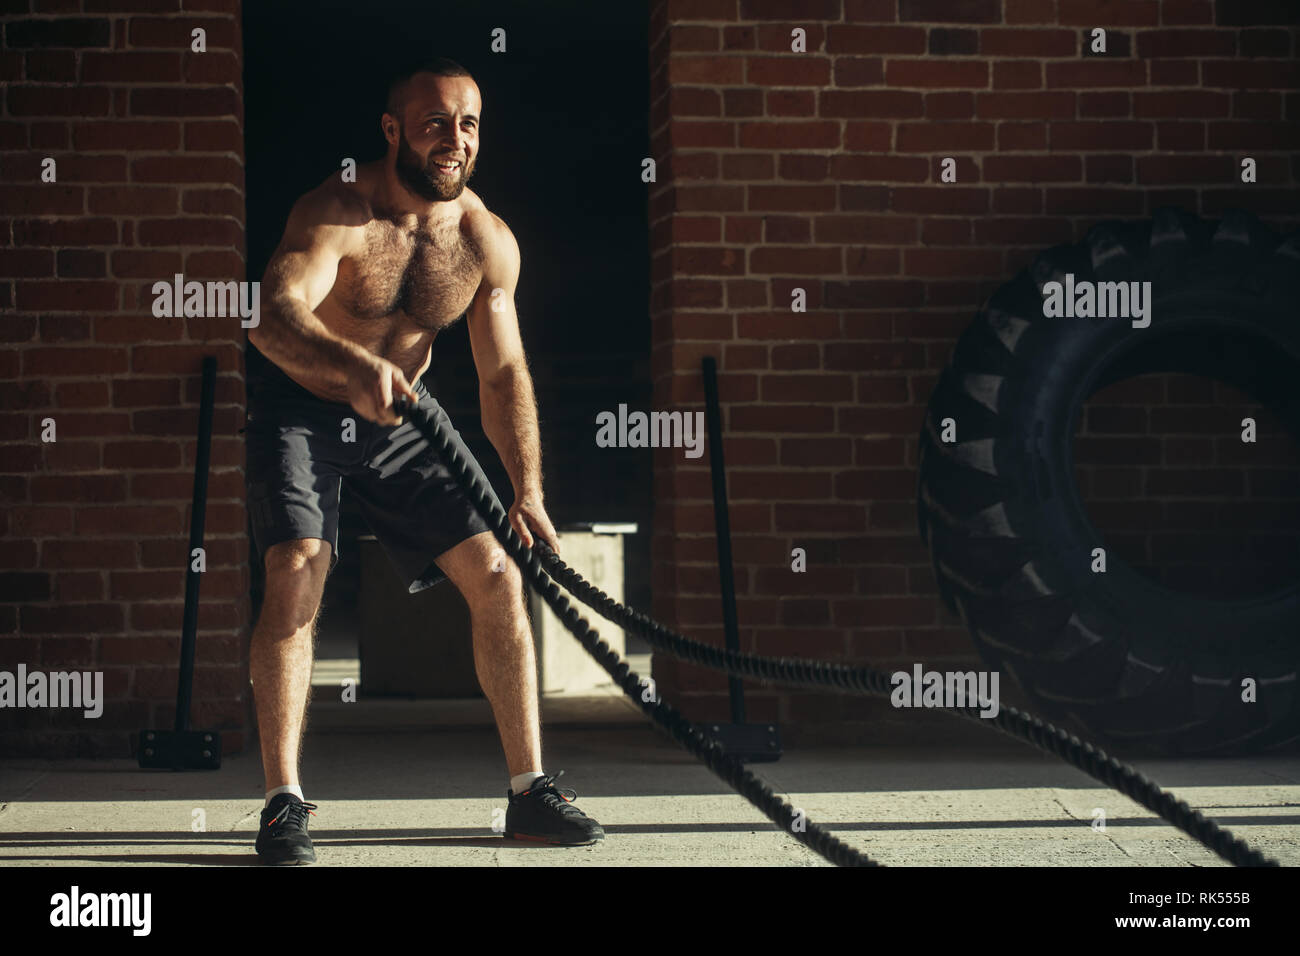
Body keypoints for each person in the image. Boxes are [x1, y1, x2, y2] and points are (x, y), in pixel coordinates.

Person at [244, 56, 603, 864]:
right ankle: (282, 803)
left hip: (406, 419)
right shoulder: (336, 211)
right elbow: (268, 316)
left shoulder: (483, 239)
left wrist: (528, 489)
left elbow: (503, 370)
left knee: (501, 576)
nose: (454, 139)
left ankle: (529, 794)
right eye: (436, 121)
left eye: (469, 123)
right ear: (393, 128)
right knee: (298, 565)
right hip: (303, 408)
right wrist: (347, 367)